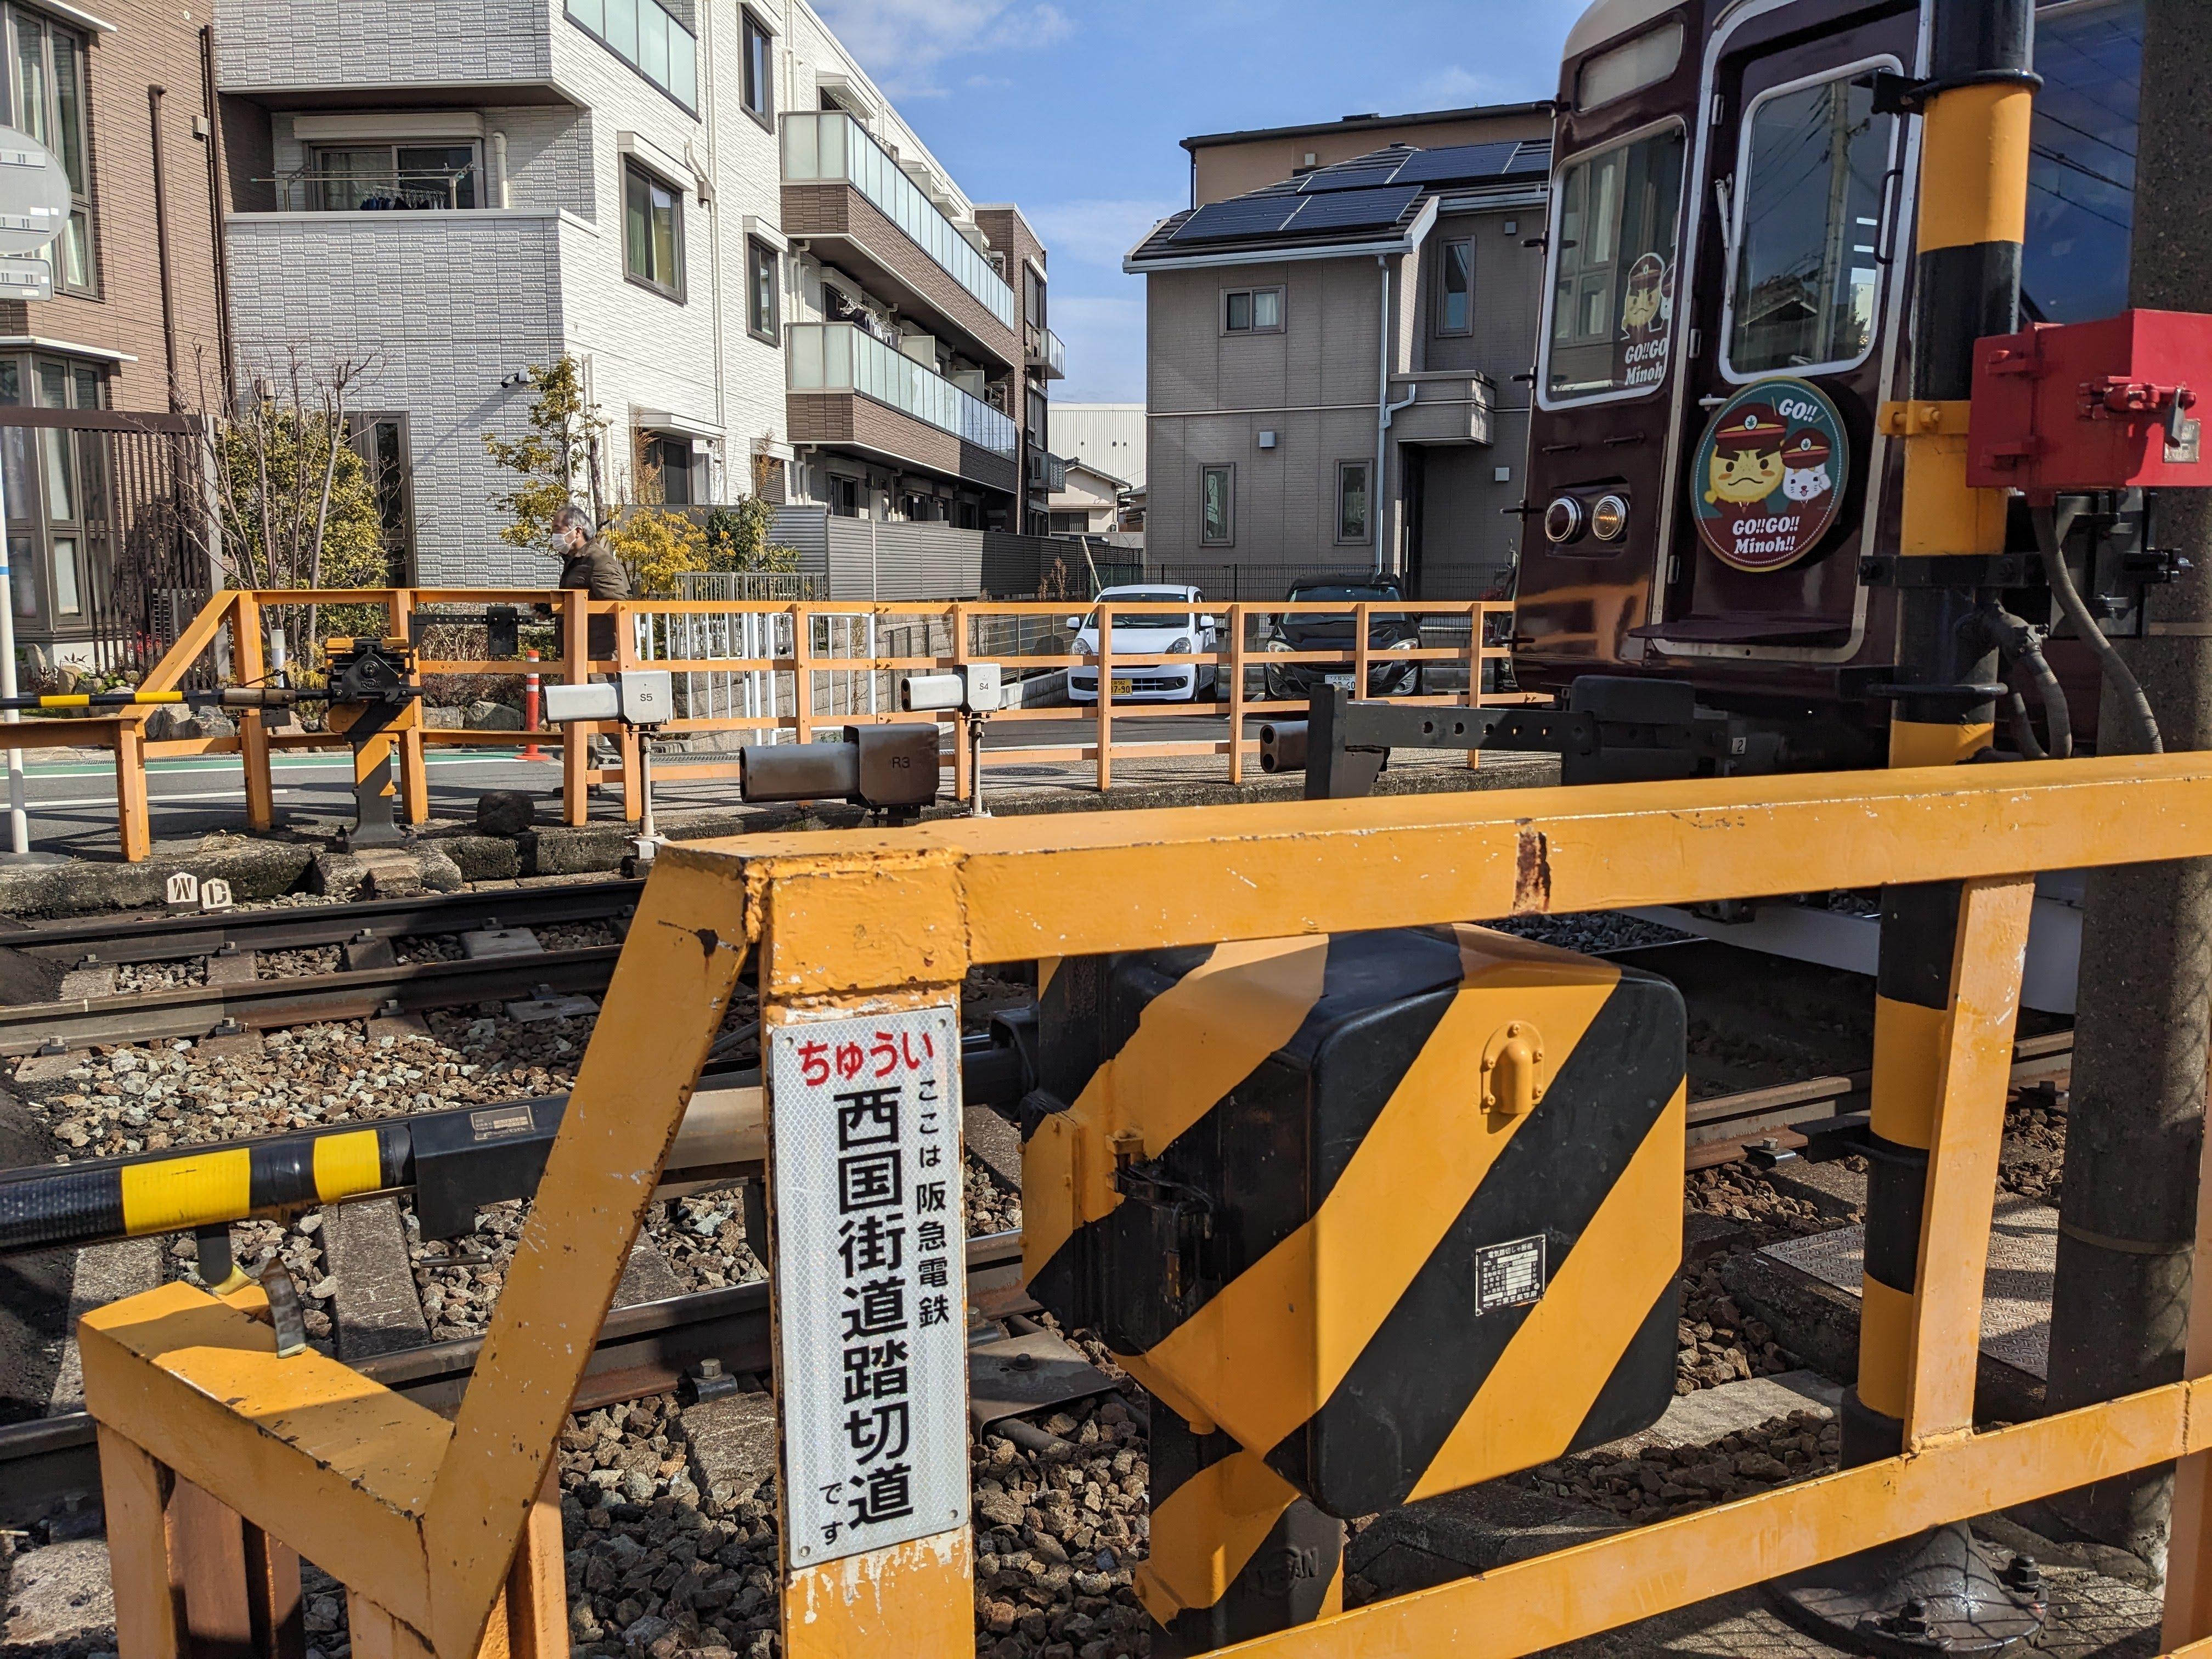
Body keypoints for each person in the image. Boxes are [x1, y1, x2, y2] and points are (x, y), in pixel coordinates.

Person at [549, 501, 627, 663]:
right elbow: (576, 599)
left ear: (577, 531)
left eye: (557, 529)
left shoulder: (598, 560)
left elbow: (619, 606)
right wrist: (550, 609)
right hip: (578, 651)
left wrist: (628, 650)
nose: (553, 536)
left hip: (600, 655)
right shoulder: (574, 560)